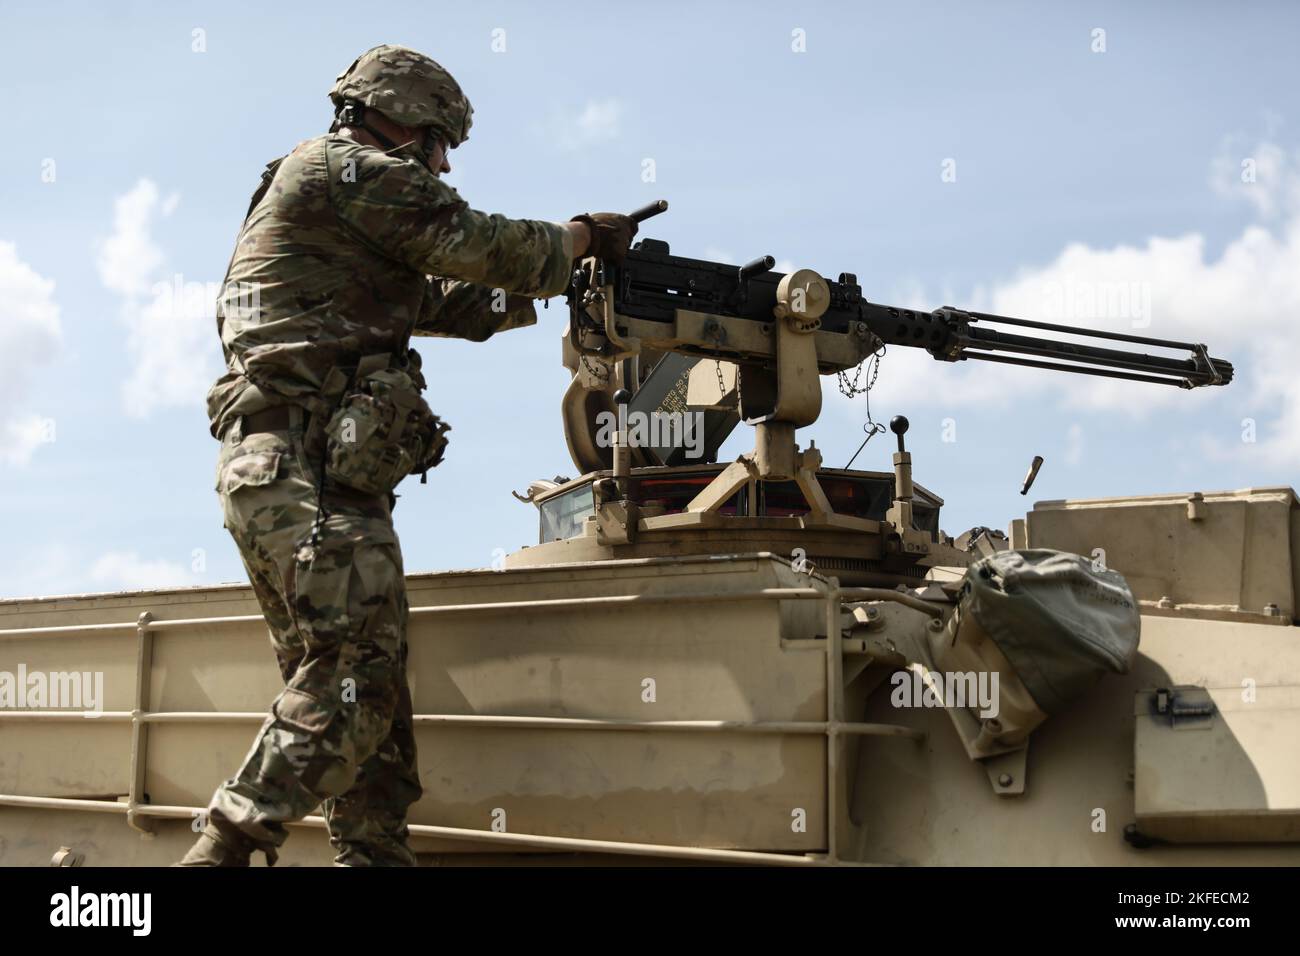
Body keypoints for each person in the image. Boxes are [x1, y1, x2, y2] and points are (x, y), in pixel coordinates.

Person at [178, 44, 637, 866]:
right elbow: (489, 246)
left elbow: (458, 301)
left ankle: (373, 855)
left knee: (367, 699)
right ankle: (225, 846)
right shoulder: (349, 170)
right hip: (308, 468)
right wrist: (578, 240)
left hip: (281, 468)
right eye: (442, 140)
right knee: (353, 675)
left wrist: (575, 284)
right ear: (409, 118)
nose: (445, 159)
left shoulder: (332, 203)